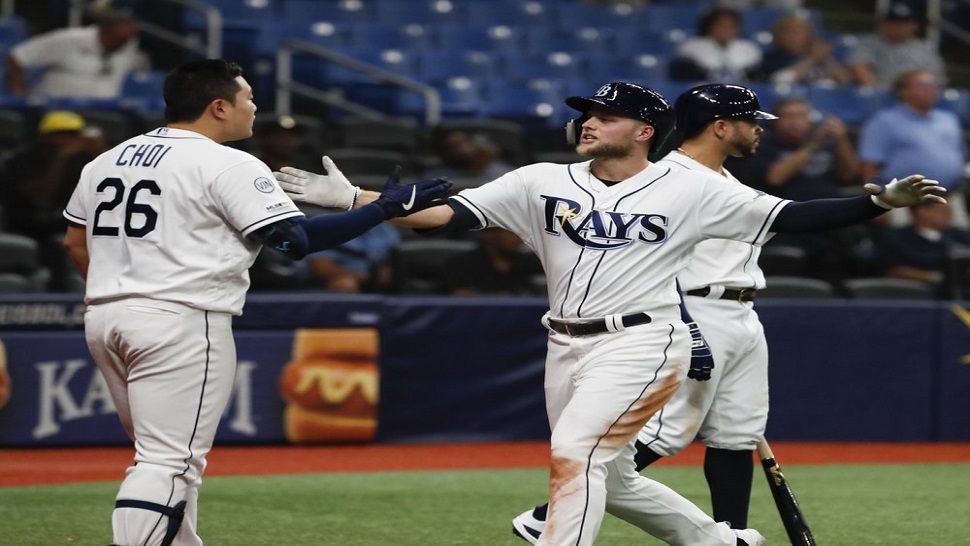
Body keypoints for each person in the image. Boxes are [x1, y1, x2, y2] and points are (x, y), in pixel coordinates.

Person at [276, 81, 944, 546]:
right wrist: (358, 199)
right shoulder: (541, 179)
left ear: (644, 131)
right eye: (586, 113)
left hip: (644, 341)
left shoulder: (692, 187)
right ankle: (715, 540)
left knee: (574, 454)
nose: (588, 122)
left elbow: (794, 218)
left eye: (606, 115)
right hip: (564, 345)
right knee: (614, 477)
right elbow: (447, 212)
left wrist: (880, 203)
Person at [61, 59, 449, 546]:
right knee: (167, 461)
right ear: (218, 106)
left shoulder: (108, 159)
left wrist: (121, 292)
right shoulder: (226, 162)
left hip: (105, 315)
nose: (254, 107)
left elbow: (75, 243)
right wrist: (382, 209)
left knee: (167, 458)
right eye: (247, 98)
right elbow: (293, 243)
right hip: (179, 318)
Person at [859, 69, 967, 227]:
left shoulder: (949, 119)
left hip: (949, 195)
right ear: (904, 91)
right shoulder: (884, 121)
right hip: (902, 198)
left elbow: (961, 158)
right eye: (923, 85)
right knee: (904, 245)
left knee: (960, 244)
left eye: (934, 85)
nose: (930, 89)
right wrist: (877, 202)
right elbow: (869, 165)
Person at [6, 4, 146, 99]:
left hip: (104, 112)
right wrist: (18, 93)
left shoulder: (127, 45)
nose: (125, 44)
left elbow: (141, 69)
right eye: (120, 40)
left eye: (128, 40)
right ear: (105, 32)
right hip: (55, 110)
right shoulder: (70, 39)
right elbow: (19, 56)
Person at [874, 201, 970, 297]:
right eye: (943, 210)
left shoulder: (961, 236)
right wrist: (934, 277)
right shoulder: (896, 237)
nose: (949, 214)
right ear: (922, 211)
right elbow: (893, 270)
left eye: (949, 210)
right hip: (915, 294)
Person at [847, 1, 946, 88]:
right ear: (883, 24)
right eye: (893, 22)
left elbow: (936, 79)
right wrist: (879, 92)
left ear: (914, 26)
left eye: (903, 23)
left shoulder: (925, 47)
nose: (898, 27)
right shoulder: (869, 43)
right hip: (880, 96)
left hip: (915, 97)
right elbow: (858, 67)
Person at [752, 14, 850, 85]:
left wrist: (826, 57)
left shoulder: (820, 58)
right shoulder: (771, 59)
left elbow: (844, 81)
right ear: (778, 36)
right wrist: (812, 59)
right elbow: (779, 81)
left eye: (798, 33)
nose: (793, 38)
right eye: (788, 33)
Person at [671, 7, 762, 83]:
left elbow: (755, 78)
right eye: (721, 25)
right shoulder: (691, 46)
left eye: (731, 26)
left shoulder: (749, 48)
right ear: (709, 26)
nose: (726, 30)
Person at [442, 228, 543, 296]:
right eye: (511, 232)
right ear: (489, 234)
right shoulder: (462, 264)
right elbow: (459, 297)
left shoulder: (528, 262)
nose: (518, 238)